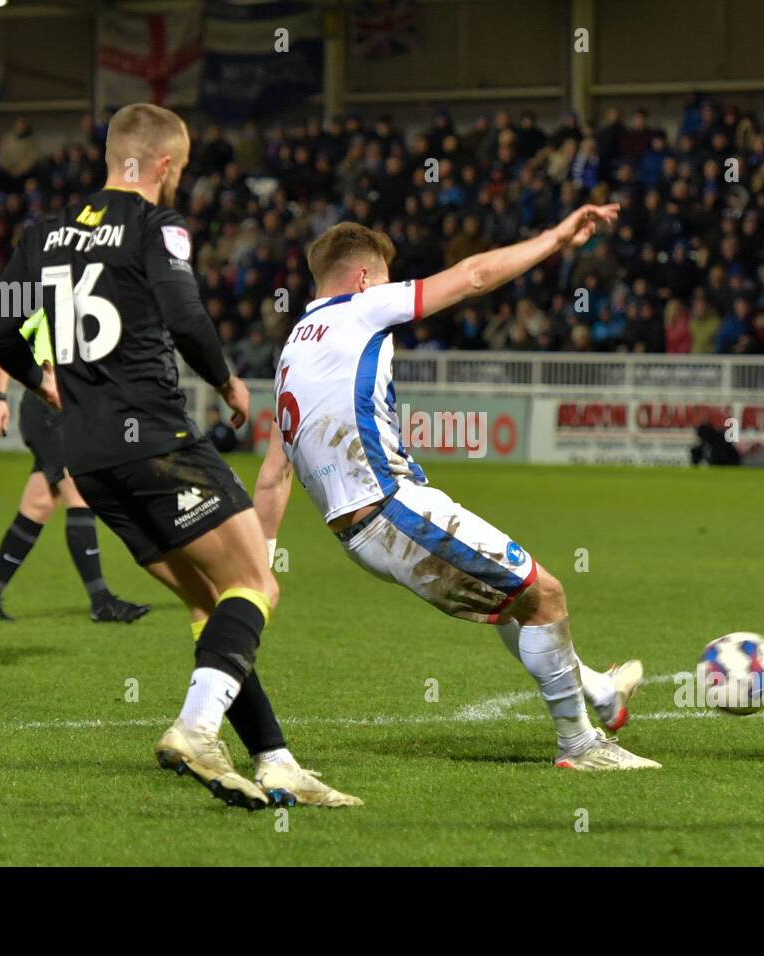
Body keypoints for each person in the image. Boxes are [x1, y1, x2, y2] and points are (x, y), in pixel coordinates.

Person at [0, 103, 356, 809]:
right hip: (156, 440)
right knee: (257, 582)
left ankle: (275, 758)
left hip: (87, 458)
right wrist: (227, 380)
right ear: (160, 164)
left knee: (206, 600)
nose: (179, 180)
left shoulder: (40, 234)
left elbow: (0, 330)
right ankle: (194, 726)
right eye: (179, 169)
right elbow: (185, 316)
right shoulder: (156, 226)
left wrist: (40, 381)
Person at [254, 213, 658, 771]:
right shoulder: (362, 309)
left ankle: (597, 689)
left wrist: (260, 562)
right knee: (547, 594)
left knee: (513, 601)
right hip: (392, 510)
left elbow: (272, 475)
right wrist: (553, 238)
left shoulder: (292, 352)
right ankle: (581, 746)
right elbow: (471, 277)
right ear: (367, 278)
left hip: (360, 529)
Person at [0, 309, 151, 623]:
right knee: (79, 493)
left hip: (72, 409)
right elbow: (4, 339)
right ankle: (101, 601)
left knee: (38, 504)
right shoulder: (46, 297)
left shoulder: (92, 296)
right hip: (46, 409)